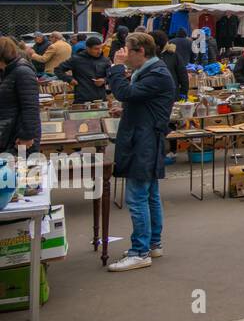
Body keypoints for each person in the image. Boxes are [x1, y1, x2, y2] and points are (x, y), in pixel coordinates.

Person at [106, 33, 176, 271]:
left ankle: (140, 251)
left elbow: (125, 93)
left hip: (143, 141)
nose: (124, 55)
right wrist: (126, 110)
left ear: (141, 52)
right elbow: (137, 100)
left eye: (128, 50)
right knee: (149, 195)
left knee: (137, 197)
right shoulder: (150, 71)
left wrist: (115, 68)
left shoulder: (156, 73)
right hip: (144, 137)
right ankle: (152, 244)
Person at [0, 37, 41, 154]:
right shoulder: (6, 71)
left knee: (22, 169)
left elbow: (30, 107)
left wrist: (26, 136)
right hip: (8, 132)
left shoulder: (22, 72)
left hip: (20, 137)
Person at [54, 33, 111, 104]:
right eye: (96, 49)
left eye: (100, 48)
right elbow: (58, 69)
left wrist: (104, 80)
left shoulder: (105, 60)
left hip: (100, 99)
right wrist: (69, 79)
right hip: (82, 99)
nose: (99, 51)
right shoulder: (77, 59)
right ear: (88, 48)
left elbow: (111, 76)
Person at [150, 30, 189, 103]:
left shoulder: (173, 55)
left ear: (158, 46)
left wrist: (183, 93)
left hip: (171, 97)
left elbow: (183, 75)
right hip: (153, 97)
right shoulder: (148, 56)